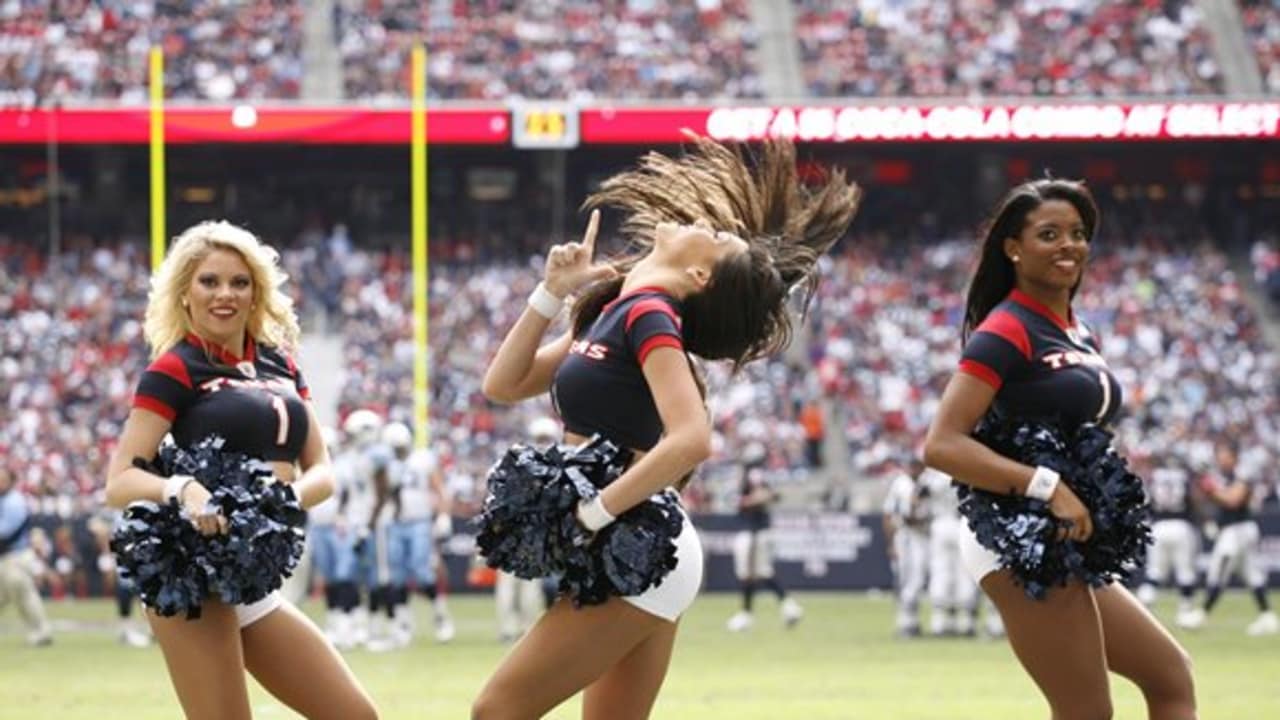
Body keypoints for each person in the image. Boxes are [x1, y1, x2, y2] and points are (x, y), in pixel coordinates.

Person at [472, 137, 860, 720]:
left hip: (639, 544)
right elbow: (504, 384)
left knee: (497, 711)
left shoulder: (653, 313)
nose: (709, 222)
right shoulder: (613, 310)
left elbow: (691, 438)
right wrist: (552, 291)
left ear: (700, 273)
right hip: (638, 548)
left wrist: (592, 514)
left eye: (721, 237)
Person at [922, 179, 1197, 719]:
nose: (1068, 245)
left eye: (1078, 233)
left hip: (1065, 533)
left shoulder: (1080, 332)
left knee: (1170, 676)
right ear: (1014, 248)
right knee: (1086, 711)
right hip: (1017, 533)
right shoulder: (1005, 329)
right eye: (1049, 234)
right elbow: (941, 444)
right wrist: (1048, 487)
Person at [104, 221, 377, 720]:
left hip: (248, 570)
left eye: (239, 282)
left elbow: (321, 469)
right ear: (185, 293)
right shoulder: (175, 368)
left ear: (257, 291)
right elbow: (120, 479)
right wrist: (183, 489)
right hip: (190, 568)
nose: (224, 294)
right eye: (209, 281)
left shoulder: (282, 365)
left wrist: (278, 503)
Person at [1180, 441, 1277, 635]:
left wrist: (1211, 488)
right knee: (1252, 575)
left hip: (1238, 529)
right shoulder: (1222, 475)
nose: (1220, 458)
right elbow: (1210, 499)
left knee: (1219, 570)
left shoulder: (1243, 473)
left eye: (1224, 454)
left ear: (1234, 457)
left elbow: (1233, 500)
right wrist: (1205, 487)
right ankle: (1268, 617)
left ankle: (1202, 613)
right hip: (1232, 529)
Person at [725, 438, 803, 632]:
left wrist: (744, 502)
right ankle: (784, 607)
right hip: (755, 529)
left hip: (753, 530)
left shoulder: (754, 474)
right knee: (758, 572)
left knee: (751, 573)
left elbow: (767, 495)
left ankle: (749, 614)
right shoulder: (755, 474)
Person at [493, 417, 558, 643]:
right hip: (517, 530)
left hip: (533, 532)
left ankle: (525, 628)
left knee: (530, 588)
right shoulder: (521, 464)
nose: (543, 443)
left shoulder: (548, 466)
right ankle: (511, 628)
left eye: (545, 438)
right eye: (541, 438)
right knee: (510, 586)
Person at [1136, 456, 1203, 628]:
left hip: (1159, 526)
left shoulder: (1154, 477)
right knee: (1185, 572)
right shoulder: (1183, 476)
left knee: (1154, 573)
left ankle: (1143, 612)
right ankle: (1185, 615)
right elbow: (1193, 501)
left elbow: (1145, 502)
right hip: (1181, 526)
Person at [0, 466, 53, 647]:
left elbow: (5, 532)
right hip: (5, 558)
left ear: (10, 481)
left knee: (23, 592)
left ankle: (41, 631)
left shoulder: (14, 501)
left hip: (16, 556)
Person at [881, 457, 930, 637]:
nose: (915, 469)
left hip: (924, 534)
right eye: (913, 466)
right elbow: (888, 514)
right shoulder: (900, 484)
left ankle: (913, 620)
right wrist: (891, 543)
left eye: (918, 466)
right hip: (905, 534)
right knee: (905, 576)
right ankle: (906, 622)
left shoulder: (928, 482)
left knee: (919, 576)